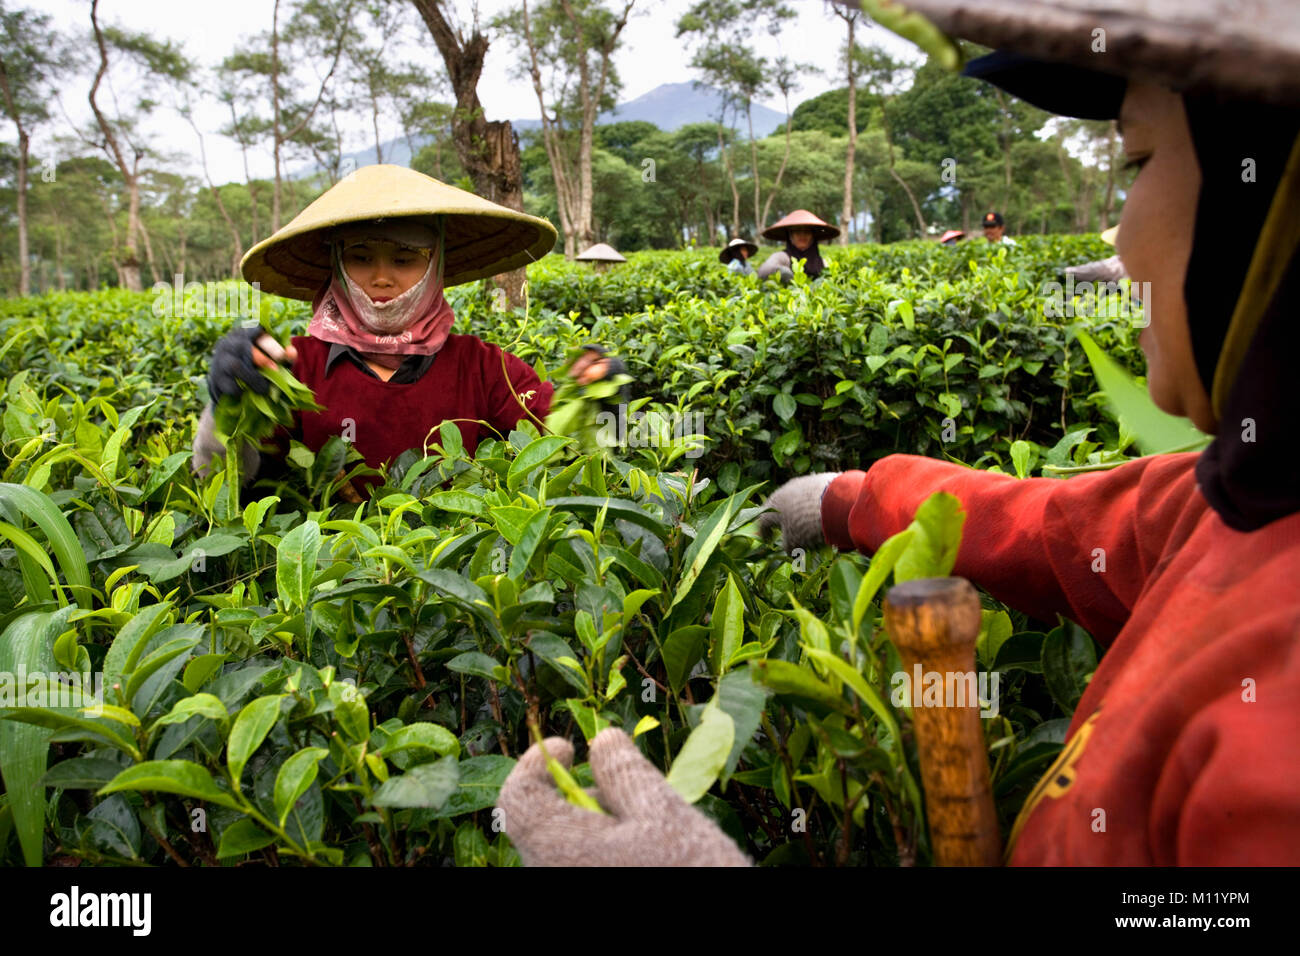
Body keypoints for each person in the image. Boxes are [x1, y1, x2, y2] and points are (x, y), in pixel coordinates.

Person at [497, 0, 1300, 866]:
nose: (1116, 247)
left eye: (1139, 161)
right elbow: (1057, 526)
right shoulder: (1244, 501)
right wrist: (853, 501)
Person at [192, 164, 620, 496]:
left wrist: (603, 399)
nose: (381, 279)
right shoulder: (295, 367)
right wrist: (227, 402)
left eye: (404, 259)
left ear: (436, 265)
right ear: (336, 267)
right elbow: (224, 485)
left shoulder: (487, 369)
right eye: (360, 258)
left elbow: (568, 450)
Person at [755, 210, 840, 282]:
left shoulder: (822, 262)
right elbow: (763, 271)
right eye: (797, 231)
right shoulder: (783, 257)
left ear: (813, 236)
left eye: (807, 231)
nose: (802, 235)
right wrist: (782, 272)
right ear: (790, 236)